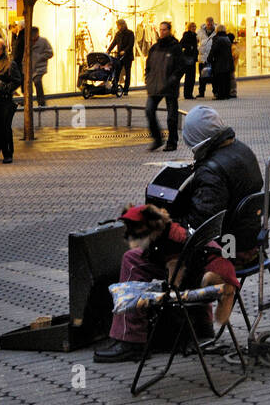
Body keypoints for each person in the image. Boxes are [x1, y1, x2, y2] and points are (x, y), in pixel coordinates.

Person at [94, 105, 261, 363]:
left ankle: (129, 338)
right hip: (248, 248)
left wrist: (164, 225)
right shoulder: (243, 152)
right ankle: (202, 327)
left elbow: (200, 227)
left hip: (224, 256)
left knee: (134, 259)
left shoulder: (212, 169)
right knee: (196, 249)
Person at [144, 21, 184, 151]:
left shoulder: (175, 47)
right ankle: (157, 139)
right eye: (160, 30)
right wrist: (148, 78)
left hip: (169, 87)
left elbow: (180, 67)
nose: (162, 32)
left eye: (164, 30)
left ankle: (172, 142)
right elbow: (148, 65)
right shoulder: (155, 48)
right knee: (149, 110)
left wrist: (173, 79)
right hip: (155, 86)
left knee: (171, 117)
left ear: (169, 30)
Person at [107, 19, 136, 96]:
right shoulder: (118, 34)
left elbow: (131, 44)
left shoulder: (130, 33)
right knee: (117, 71)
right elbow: (114, 43)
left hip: (127, 56)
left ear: (123, 25)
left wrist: (125, 51)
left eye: (119, 26)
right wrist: (108, 50)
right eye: (117, 26)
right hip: (119, 55)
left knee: (127, 72)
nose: (118, 27)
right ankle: (115, 87)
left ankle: (126, 89)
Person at [207, 24, 235, 100]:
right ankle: (226, 94)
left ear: (217, 30)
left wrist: (209, 58)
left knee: (219, 79)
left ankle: (220, 95)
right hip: (227, 62)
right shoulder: (227, 38)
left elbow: (213, 50)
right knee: (226, 79)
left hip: (219, 62)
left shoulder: (217, 39)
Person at [28, 27, 53, 107]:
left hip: (40, 67)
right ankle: (29, 102)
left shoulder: (43, 41)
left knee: (37, 82)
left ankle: (41, 102)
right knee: (29, 85)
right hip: (30, 67)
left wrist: (40, 57)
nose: (33, 36)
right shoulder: (28, 41)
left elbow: (50, 53)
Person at [196, 17, 216, 98]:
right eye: (208, 24)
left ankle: (215, 92)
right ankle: (201, 92)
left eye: (211, 24)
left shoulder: (216, 31)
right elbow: (196, 41)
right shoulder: (200, 31)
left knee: (214, 76)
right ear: (206, 23)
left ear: (213, 23)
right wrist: (198, 49)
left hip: (213, 58)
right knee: (202, 77)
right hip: (203, 57)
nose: (209, 25)